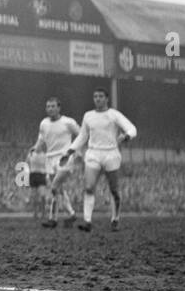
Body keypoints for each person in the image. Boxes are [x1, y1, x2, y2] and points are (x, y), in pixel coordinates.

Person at [63, 88, 137, 231]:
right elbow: (82, 136)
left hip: (111, 154)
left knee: (114, 190)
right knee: (89, 187)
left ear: (106, 98)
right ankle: (87, 221)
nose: (97, 99)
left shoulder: (114, 115)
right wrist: (70, 150)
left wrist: (126, 136)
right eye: (95, 96)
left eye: (100, 96)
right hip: (93, 153)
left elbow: (132, 128)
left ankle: (115, 218)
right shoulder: (88, 116)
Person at [32, 97, 80, 228]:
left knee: (54, 187)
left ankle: (52, 219)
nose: (50, 109)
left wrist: (75, 152)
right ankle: (72, 214)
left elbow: (82, 135)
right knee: (58, 189)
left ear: (59, 108)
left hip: (65, 158)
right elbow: (41, 139)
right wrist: (35, 148)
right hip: (50, 159)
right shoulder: (44, 123)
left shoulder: (68, 122)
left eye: (53, 106)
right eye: (48, 106)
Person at [25, 147, 49, 219]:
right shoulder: (31, 154)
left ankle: (43, 213)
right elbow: (26, 163)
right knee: (34, 195)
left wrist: (47, 176)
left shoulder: (44, 155)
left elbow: (47, 166)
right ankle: (35, 213)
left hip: (41, 175)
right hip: (33, 175)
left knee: (42, 195)